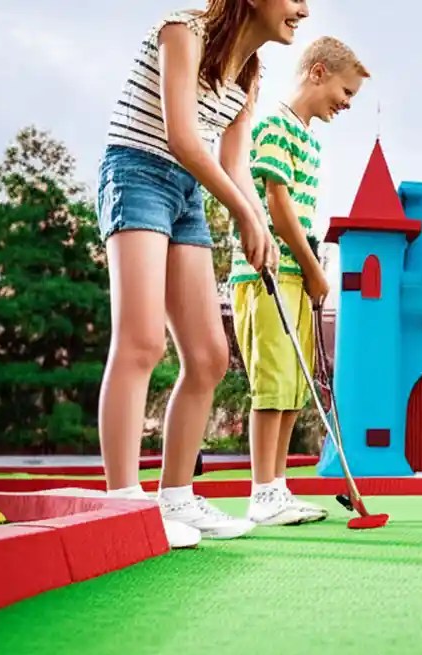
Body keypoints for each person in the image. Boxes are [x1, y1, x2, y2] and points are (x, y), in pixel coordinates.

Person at [95, 0, 308, 548]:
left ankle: (175, 496)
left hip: (187, 191)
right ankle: (124, 504)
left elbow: (234, 164)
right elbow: (183, 138)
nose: (304, 10)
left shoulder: (250, 71)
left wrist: (260, 225)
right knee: (141, 341)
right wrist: (242, 214)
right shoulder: (182, 31)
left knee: (210, 356)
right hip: (136, 172)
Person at [228, 36, 369, 526]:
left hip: (297, 275)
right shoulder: (275, 125)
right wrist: (312, 267)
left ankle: (278, 487)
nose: (347, 104)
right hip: (266, 272)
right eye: (345, 92)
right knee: (272, 383)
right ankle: (261, 492)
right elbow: (277, 203)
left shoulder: (309, 139)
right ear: (318, 72)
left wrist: (310, 270)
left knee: (293, 385)